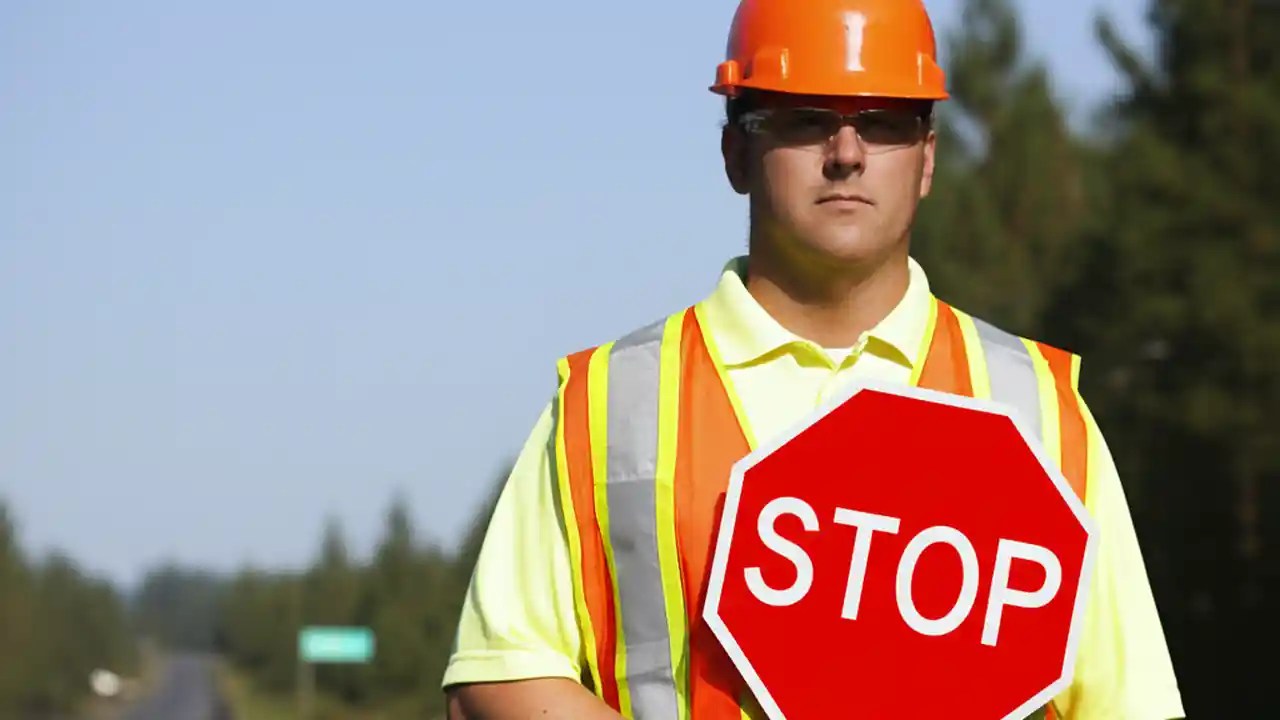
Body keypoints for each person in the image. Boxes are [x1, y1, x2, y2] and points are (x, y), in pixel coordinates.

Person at [441, 0, 1185, 717]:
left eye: (884, 123)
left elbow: (1130, 704)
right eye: (804, 121)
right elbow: (496, 681)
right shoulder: (607, 408)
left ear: (927, 158)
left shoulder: (1040, 409)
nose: (848, 154)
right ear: (736, 150)